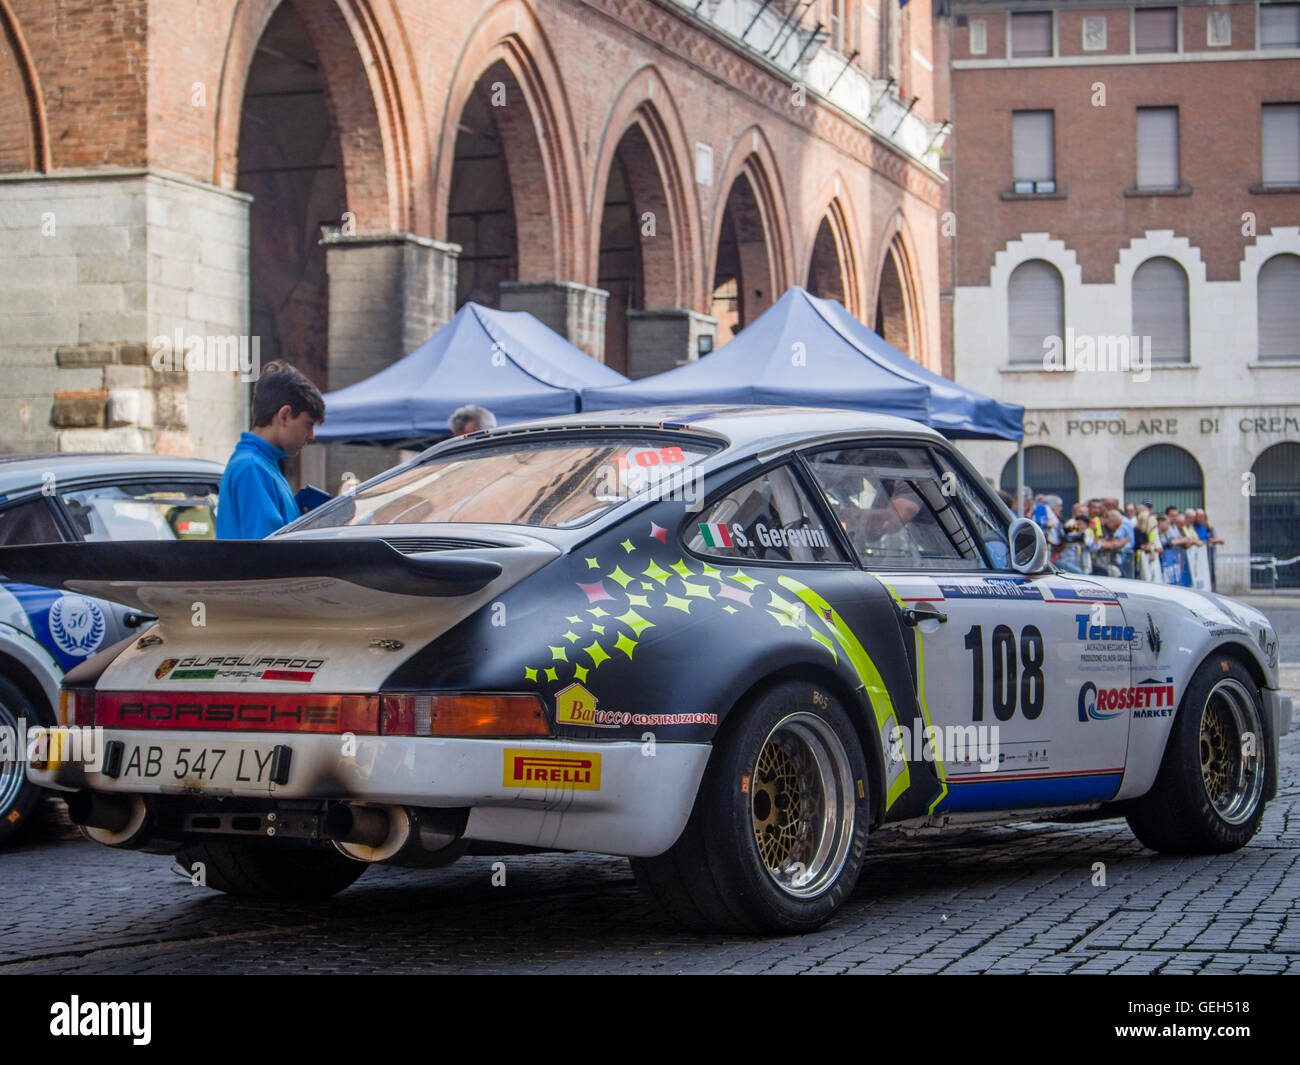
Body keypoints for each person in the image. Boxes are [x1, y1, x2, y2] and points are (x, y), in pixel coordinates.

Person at [216, 362, 325, 539]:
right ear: (284, 415)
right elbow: (269, 554)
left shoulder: (263, 465)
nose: (311, 436)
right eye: (309, 424)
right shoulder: (251, 468)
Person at [1096, 508, 1135, 578]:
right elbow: (1096, 543)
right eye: (1117, 526)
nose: (1117, 529)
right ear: (1111, 521)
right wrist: (1118, 544)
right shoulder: (1097, 525)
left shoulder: (1107, 529)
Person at [1194, 508, 1224, 589]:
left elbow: (1208, 538)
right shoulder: (1194, 527)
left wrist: (1211, 540)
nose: (1201, 519)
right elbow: (1202, 539)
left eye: (1203, 517)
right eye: (1199, 517)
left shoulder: (1204, 527)